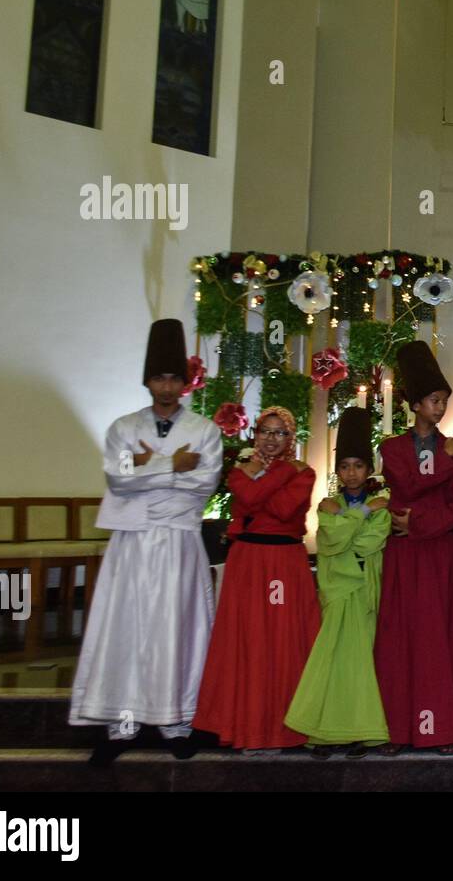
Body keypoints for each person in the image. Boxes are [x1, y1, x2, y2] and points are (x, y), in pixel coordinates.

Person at [70, 319, 222, 765]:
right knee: (128, 629)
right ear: (147, 380)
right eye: (159, 377)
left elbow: (203, 485)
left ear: (185, 382)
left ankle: (178, 722)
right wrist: (173, 464)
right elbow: (118, 481)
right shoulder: (121, 428)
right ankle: (123, 723)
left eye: (174, 378)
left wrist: (148, 468)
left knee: (177, 630)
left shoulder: (205, 430)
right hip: (133, 544)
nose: (167, 386)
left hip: (178, 544)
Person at [373, 341, 453, 755]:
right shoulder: (393, 448)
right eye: (434, 401)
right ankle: (397, 729)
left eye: (444, 401)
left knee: (441, 639)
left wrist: (418, 522)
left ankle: (443, 730)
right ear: (414, 403)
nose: (440, 409)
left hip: (439, 555)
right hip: (405, 559)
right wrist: (449, 464)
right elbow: (407, 485)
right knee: (401, 640)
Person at [193, 406, 320, 752]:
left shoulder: (305, 473)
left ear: (291, 438)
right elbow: (247, 497)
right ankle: (245, 726)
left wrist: (262, 476)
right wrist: (278, 474)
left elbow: (281, 510)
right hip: (248, 563)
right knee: (247, 640)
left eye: (280, 433)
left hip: (284, 564)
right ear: (255, 434)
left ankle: (283, 728)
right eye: (266, 431)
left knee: (283, 639)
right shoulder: (241, 474)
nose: (272, 439)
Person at [284, 407, 392, 758]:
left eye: (358, 466)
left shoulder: (383, 504)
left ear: (368, 468)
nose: (351, 473)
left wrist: (350, 521)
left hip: (364, 590)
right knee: (330, 661)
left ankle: (362, 731)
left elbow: (368, 543)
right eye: (344, 466)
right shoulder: (331, 505)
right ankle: (323, 734)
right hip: (337, 591)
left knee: (361, 664)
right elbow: (330, 542)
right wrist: (361, 513)